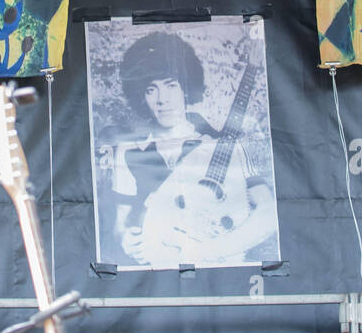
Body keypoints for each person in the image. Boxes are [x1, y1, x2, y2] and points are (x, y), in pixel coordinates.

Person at [103, 31, 277, 267]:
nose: (162, 99)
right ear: (142, 96)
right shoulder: (127, 151)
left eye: (171, 85)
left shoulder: (223, 144)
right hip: (154, 272)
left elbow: (268, 214)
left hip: (214, 268)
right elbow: (119, 226)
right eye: (151, 89)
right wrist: (125, 239)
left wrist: (209, 250)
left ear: (186, 88)